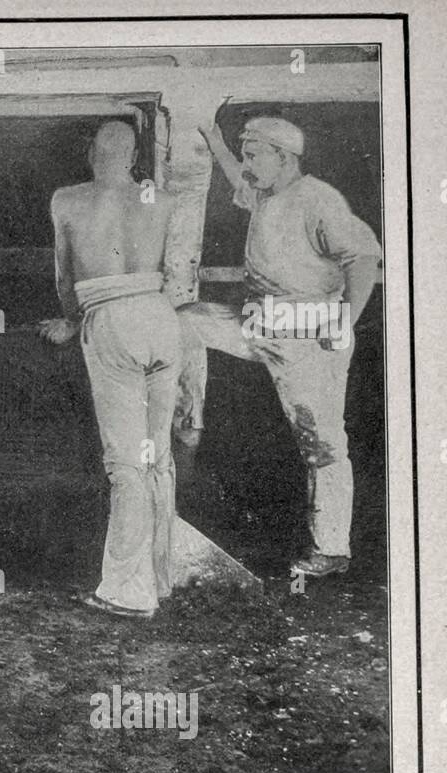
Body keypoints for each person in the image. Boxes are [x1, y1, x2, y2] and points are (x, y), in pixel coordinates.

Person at [176, 116, 382, 578]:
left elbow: (363, 258)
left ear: (284, 158)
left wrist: (344, 322)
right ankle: (190, 425)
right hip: (260, 321)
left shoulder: (319, 200)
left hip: (308, 331)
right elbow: (236, 176)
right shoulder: (265, 192)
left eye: (254, 156)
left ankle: (331, 550)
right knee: (184, 322)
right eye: (245, 155)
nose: (246, 165)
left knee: (320, 441)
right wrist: (216, 142)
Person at [40, 120, 180, 619]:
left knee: (126, 466)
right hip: (161, 318)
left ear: (88, 150)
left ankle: (127, 590)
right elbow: (181, 273)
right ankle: (161, 579)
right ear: (135, 155)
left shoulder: (68, 200)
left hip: (111, 318)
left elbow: (64, 273)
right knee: (157, 456)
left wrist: (70, 320)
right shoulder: (161, 200)